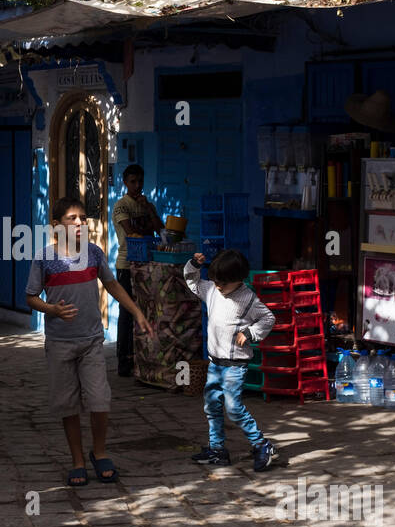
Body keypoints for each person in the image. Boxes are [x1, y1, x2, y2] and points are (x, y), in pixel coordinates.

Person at [26, 195, 154, 487]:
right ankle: (77, 460)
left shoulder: (94, 254)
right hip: (60, 343)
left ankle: (99, 451)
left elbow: (111, 285)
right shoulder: (45, 258)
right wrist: (53, 309)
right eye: (73, 218)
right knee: (68, 404)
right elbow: (31, 297)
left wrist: (137, 313)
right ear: (56, 225)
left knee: (99, 400)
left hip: (92, 341)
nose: (81, 223)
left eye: (83, 218)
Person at [183, 250, 279, 470]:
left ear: (239, 279)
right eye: (216, 281)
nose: (218, 286)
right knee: (211, 405)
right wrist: (193, 265)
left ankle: (262, 444)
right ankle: (217, 450)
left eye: (224, 283)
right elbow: (192, 281)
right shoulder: (211, 290)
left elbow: (268, 318)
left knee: (234, 408)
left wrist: (252, 333)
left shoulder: (248, 298)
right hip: (215, 363)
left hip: (235, 366)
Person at [110, 164, 164, 378]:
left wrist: (150, 210)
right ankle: (124, 362)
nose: (137, 185)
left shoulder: (146, 205)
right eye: (132, 181)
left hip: (147, 265)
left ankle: (143, 359)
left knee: (146, 312)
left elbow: (161, 231)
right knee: (127, 313)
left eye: (140, 181)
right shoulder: (121, 206)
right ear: (125, 182)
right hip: (126, 265)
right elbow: (131, 233)